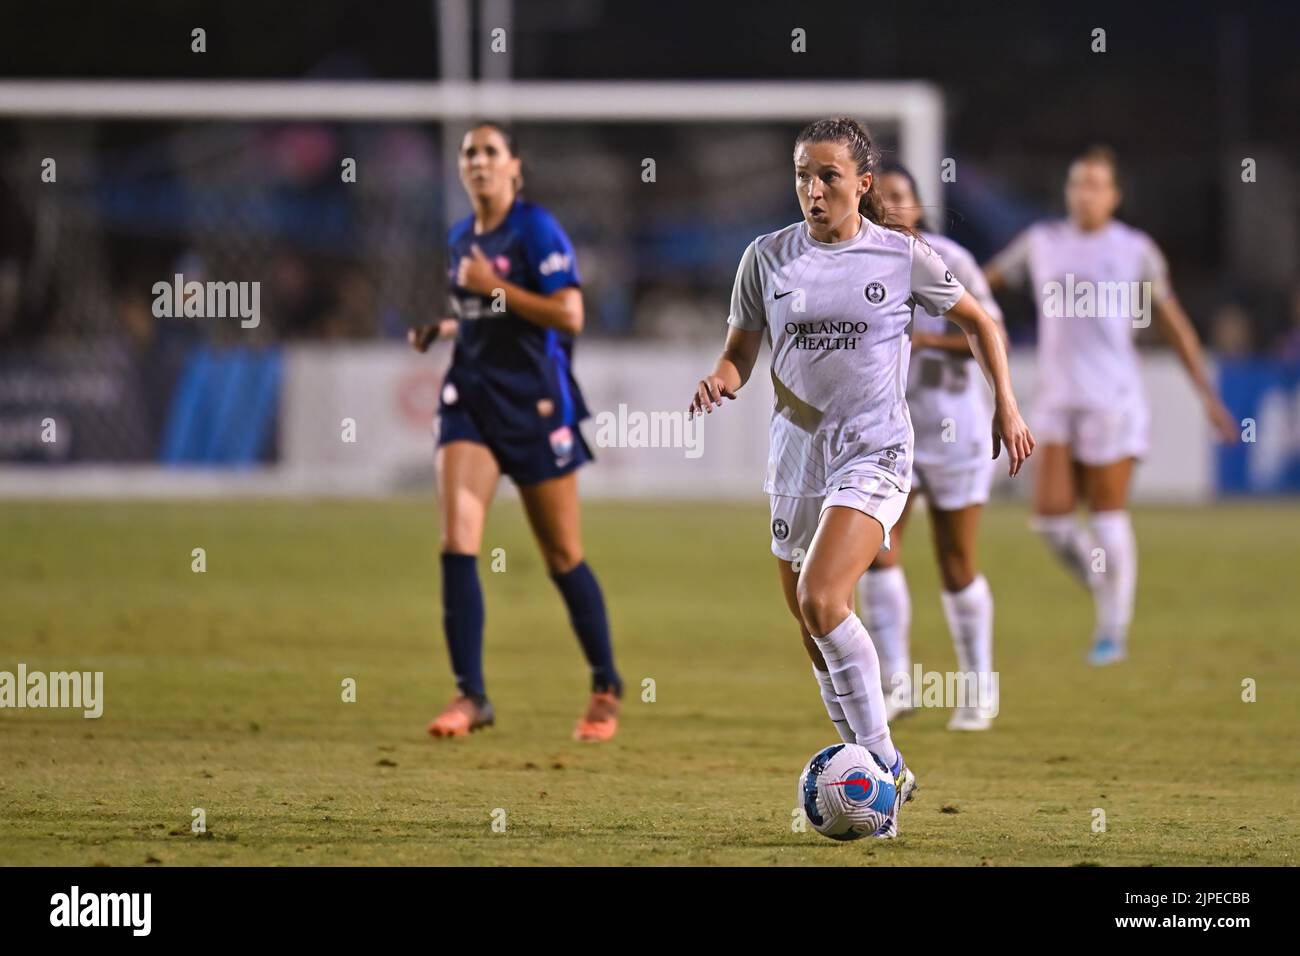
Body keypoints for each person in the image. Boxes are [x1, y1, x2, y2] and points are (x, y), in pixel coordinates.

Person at [689, 118, 1034, 837]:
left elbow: (980, 321)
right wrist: (721, 379)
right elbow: (739, 353)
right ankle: (885, 767)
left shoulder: (900, 256)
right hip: (795, 460)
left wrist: (1005, 400)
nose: (814, 191)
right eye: (803, 177)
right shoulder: (766, 257)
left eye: (829, 177)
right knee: (812, 625)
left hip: (874, 453)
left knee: (825, 595)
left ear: (864, 184)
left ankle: (877, 776)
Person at [409, 122, 622, 741]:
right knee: (457, 541)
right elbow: (482, 318)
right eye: (469, 152)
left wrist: (494, 286)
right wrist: (444, 329)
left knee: (562, 556)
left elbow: (569, 313)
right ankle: (470, 695)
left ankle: (605, 683)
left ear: (514, 168)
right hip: (470, 399)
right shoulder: (459, 238)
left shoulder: (535, 230)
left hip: (535, 407)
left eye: (490, 152)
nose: (478, 161)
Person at [985, 146, 1236, 665]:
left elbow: (1174, 324)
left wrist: (1207, 396)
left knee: (1106, 514)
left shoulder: (1134, 249)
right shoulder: (1041, 242)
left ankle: (1112, 629)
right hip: (1056, 400)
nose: (1085, 193)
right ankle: (1110, 589)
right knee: (1051, 523)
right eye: (1078, 183)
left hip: (1113, 399)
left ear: (1115, 195)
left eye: (1096, 184)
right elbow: (980, 283)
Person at [859, 163, 1004, 731]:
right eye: (883, 197)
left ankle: (978, 687)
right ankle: (896, 683)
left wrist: (923, 339)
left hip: (955, 430)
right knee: (879, 551)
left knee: (956, 563)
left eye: (902, 196)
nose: (892, 206)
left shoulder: (951, 260)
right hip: (890, 435)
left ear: (918, 205)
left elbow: (988, 332)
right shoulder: (862, 261)